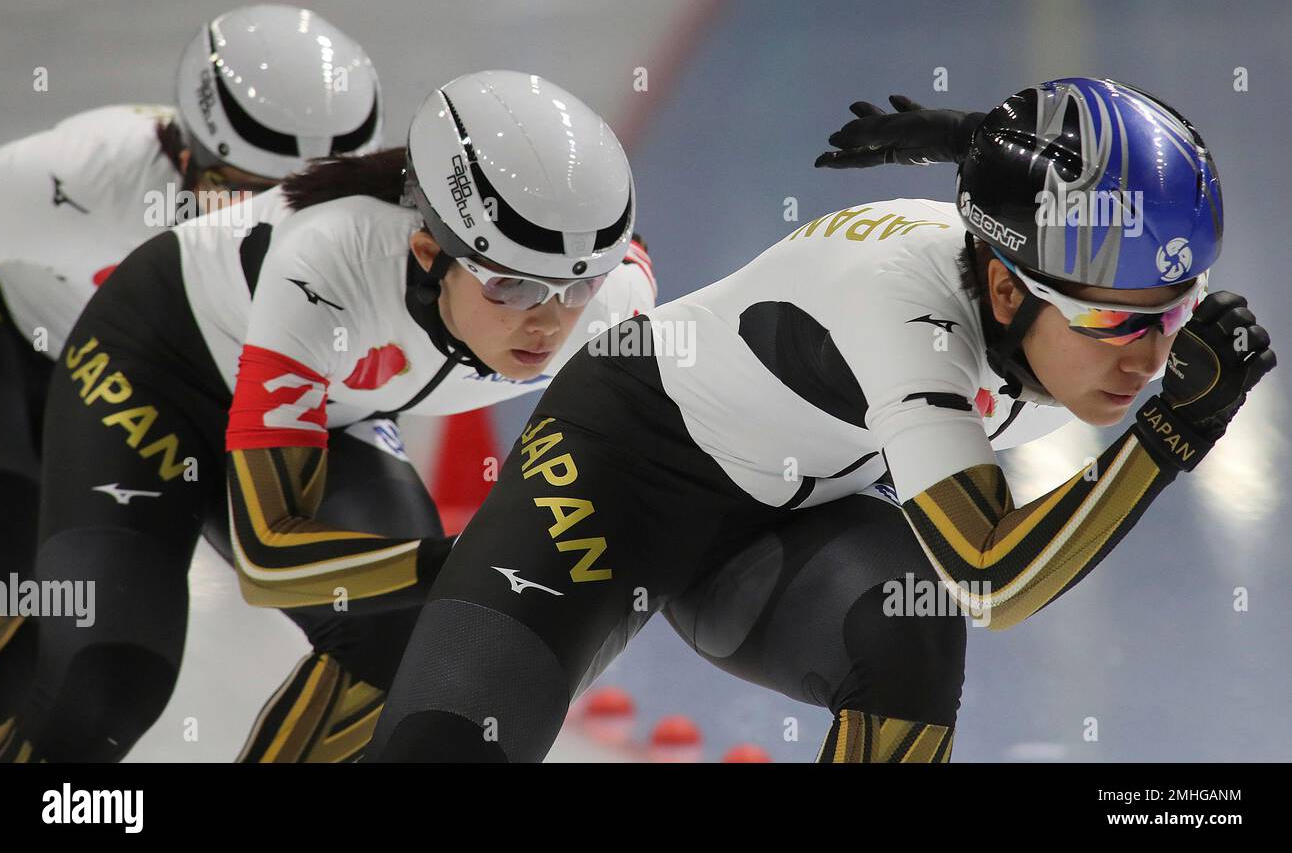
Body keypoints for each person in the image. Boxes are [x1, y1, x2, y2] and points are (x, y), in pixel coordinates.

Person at [365, 77, 1274, 763]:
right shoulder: (905, 316)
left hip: (788, 515)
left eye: (1174, 312)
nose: (1151, 357)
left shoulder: (1036, 272)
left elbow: (1075, 168)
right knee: (443, 746)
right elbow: (994, 579)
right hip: (621, 468)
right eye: (1112, 320)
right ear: (1002, 286)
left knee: (907, 622)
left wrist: (971, 138)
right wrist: (1170, 439)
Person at [0, 70, 655, 762]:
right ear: (429, 254)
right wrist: (465, 561)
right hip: (161, 369)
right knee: (107, 675)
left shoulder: (618, 308)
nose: (548, 324)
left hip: (334, 404)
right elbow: (269, 556)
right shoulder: (326, 263)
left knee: (400, 645)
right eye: (511, 285)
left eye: (577, 286)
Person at [0, 3, 382, 760]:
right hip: (34, 360)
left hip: (200, 397)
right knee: (31, 622)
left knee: (397, 625)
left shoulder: (376, 234)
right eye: (245, 188)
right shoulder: (86, 170)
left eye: (312, 199)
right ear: (184, 151)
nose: (272, 218)